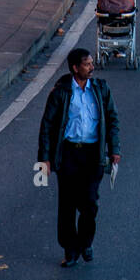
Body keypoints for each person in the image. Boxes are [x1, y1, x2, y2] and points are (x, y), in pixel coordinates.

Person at [37, 47, 120, 266]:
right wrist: (44, 158)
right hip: (69, 154)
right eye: (87, 64)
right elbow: (47, 125)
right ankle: (70, 250)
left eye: (92, 63)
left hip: (93, 155)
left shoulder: (100, 90)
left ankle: (86, 242)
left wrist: (114, 150)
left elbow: (112, 120)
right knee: (67, 205)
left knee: (90, 202)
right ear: (75, 68)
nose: (92, 67)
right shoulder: (61, 92)